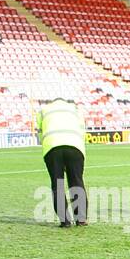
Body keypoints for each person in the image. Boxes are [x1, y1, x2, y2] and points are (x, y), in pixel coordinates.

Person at [35, 96, 86, 227]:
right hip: (75, 145)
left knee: (57, 184)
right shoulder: (75, 109)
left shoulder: (43, 110)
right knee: (76, 181)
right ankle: (81, 219)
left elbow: (40, 133)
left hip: (52, 147)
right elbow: (82, 130)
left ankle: (65, 221)